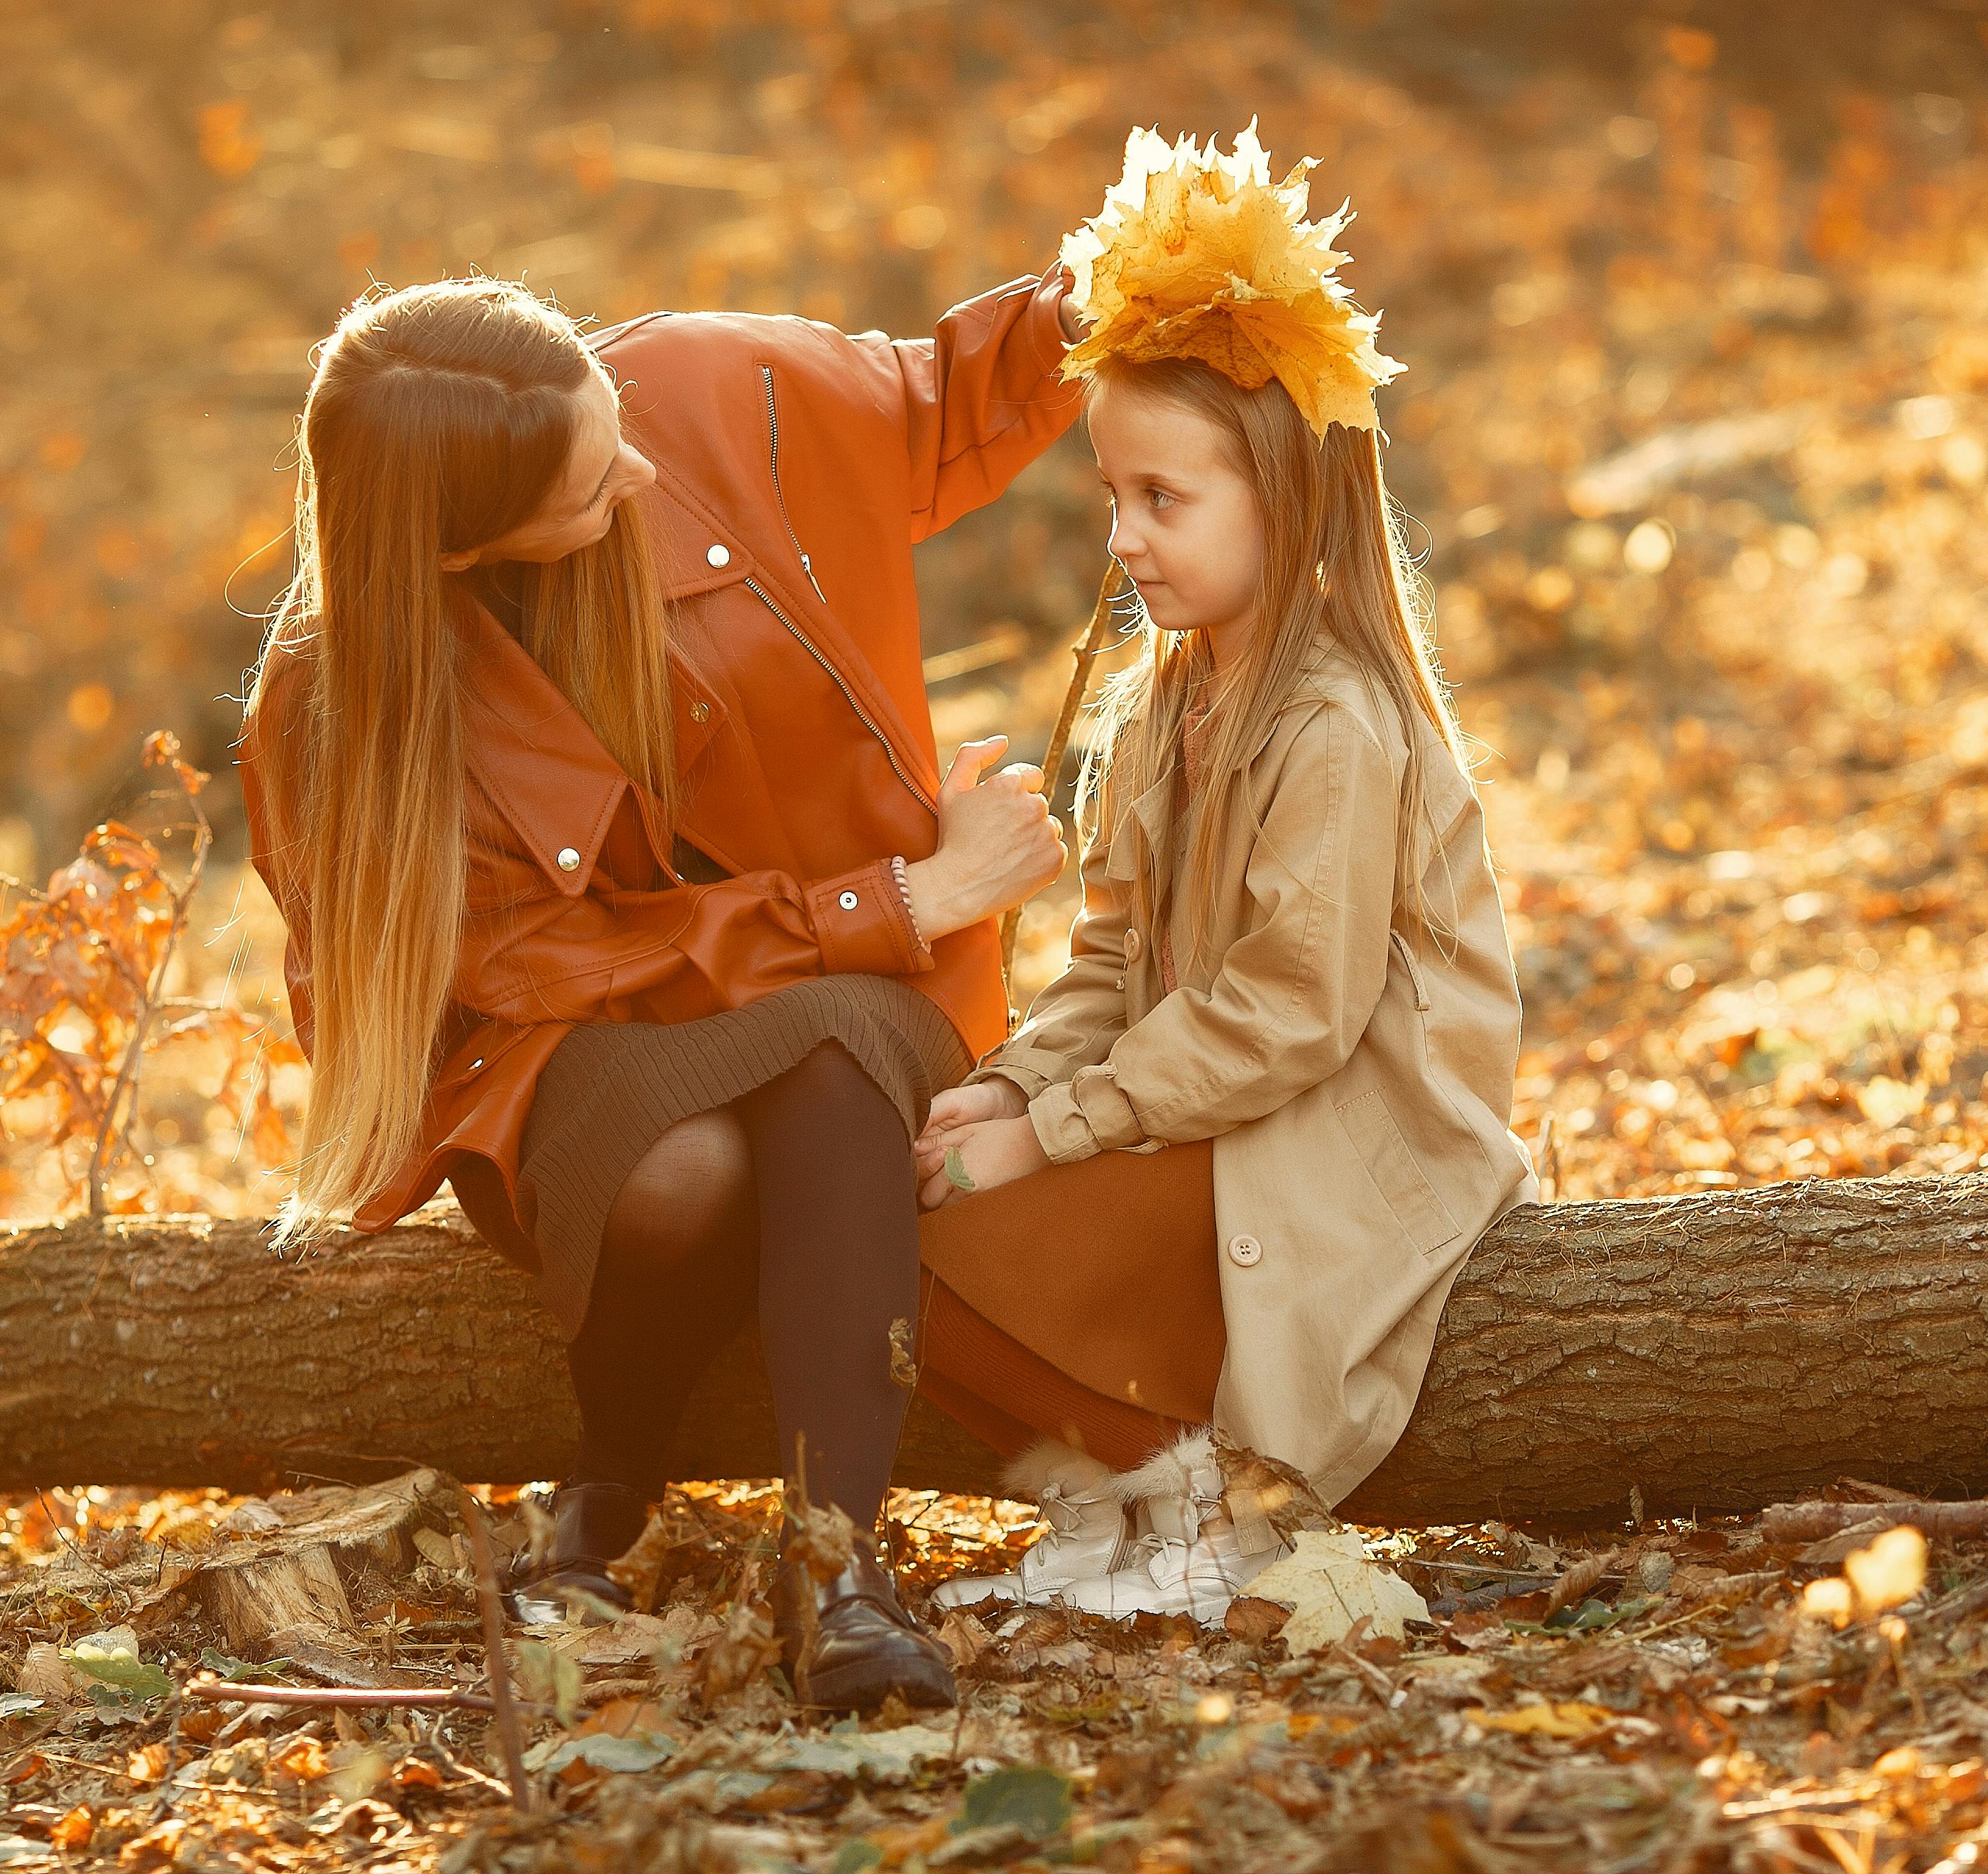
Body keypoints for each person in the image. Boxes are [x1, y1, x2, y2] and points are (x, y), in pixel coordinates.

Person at [236, 259, 1087, 1711]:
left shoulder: (703, 383)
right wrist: (893, 902)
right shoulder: (341, 708)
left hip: (860, 997)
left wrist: (1108, 291)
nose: (638, 471)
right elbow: (557, 968)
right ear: (461, 549)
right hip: (577, 1050)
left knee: (828, 1051)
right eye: (588, 487)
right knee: (685, 1170)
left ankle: (837, 1575)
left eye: (611, 419)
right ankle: (613, 1482)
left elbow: (938, 399)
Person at [905, 128, 1536, 1620]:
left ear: (1282, 492)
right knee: (894, 1211)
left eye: (1162, 500)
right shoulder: (1162, 701)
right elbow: (1112, 965)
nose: (1123, 538)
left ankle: (1213, 1510)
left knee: (961, 1235)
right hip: (1204, 1093)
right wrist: (1011, 1088)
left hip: (1341, 1117)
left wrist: (1056, 1135)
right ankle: (1115, 1503)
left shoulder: (1334, 723)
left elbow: (1291, 1014)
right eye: (1111, 496)